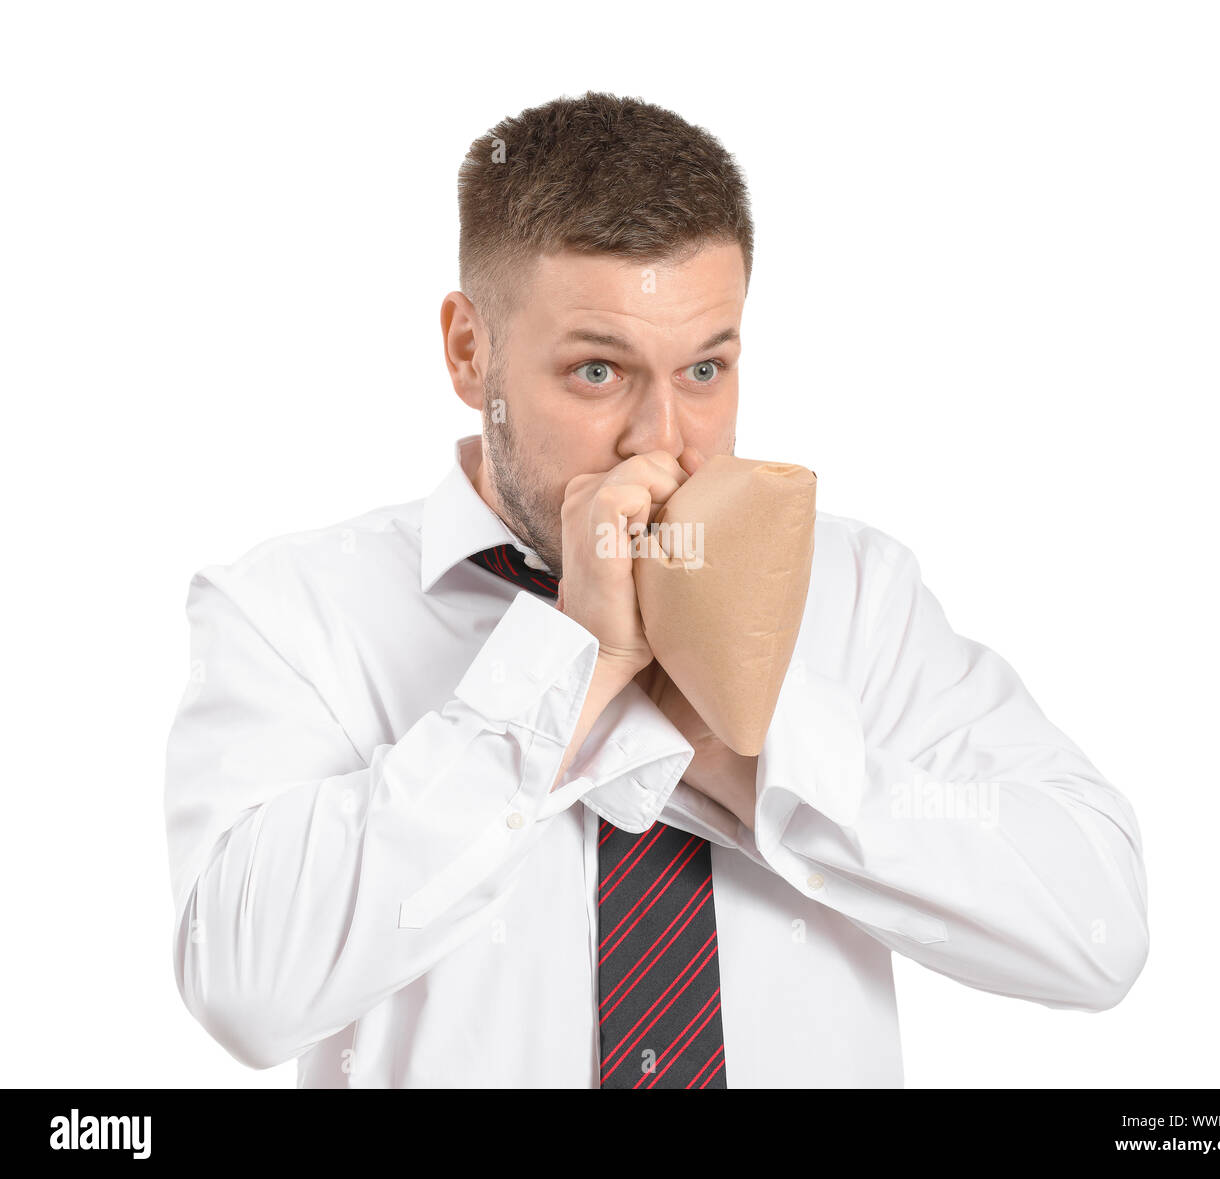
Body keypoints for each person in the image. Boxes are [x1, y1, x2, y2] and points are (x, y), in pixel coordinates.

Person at [164, 91, 1149, 1088]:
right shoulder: (292, 612)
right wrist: (562, 674)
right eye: (597, 371)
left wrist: (749, 760)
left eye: (705, 369)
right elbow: (246, 991)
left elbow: (1095, 928)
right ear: (471, 352)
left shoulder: (853, 592)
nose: (662, 439)